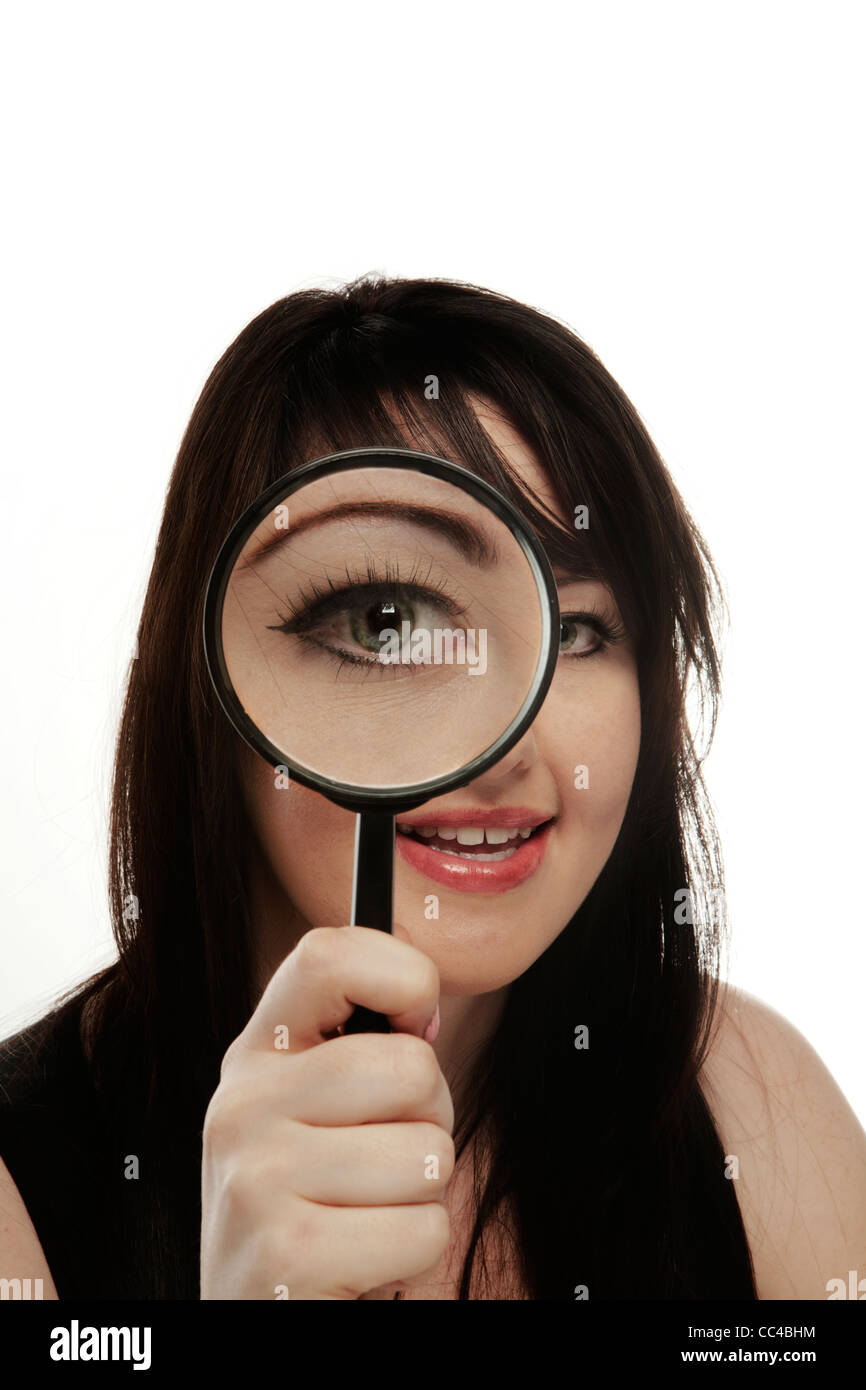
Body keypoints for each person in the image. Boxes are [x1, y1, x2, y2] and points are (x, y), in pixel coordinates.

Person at [1, 274, 864, 1301]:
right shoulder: (25, 1190)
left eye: (580, 628)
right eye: (383, 622)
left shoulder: (753, 1107)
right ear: (207, 687)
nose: (503, 747)